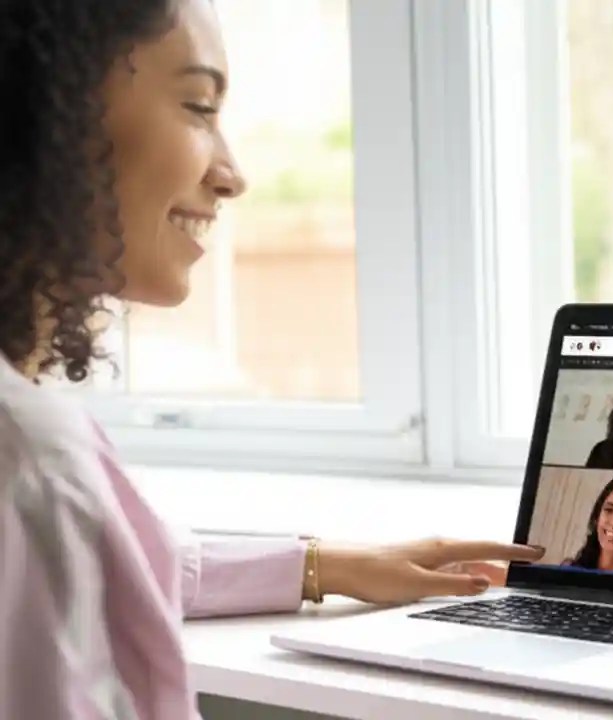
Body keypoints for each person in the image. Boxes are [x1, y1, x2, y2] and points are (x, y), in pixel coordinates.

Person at [0, 3, 543, 717]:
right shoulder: (31, 460)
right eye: (199, 106)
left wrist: (327, 566)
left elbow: (122, 559)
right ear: (46, 110)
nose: (231, 175)